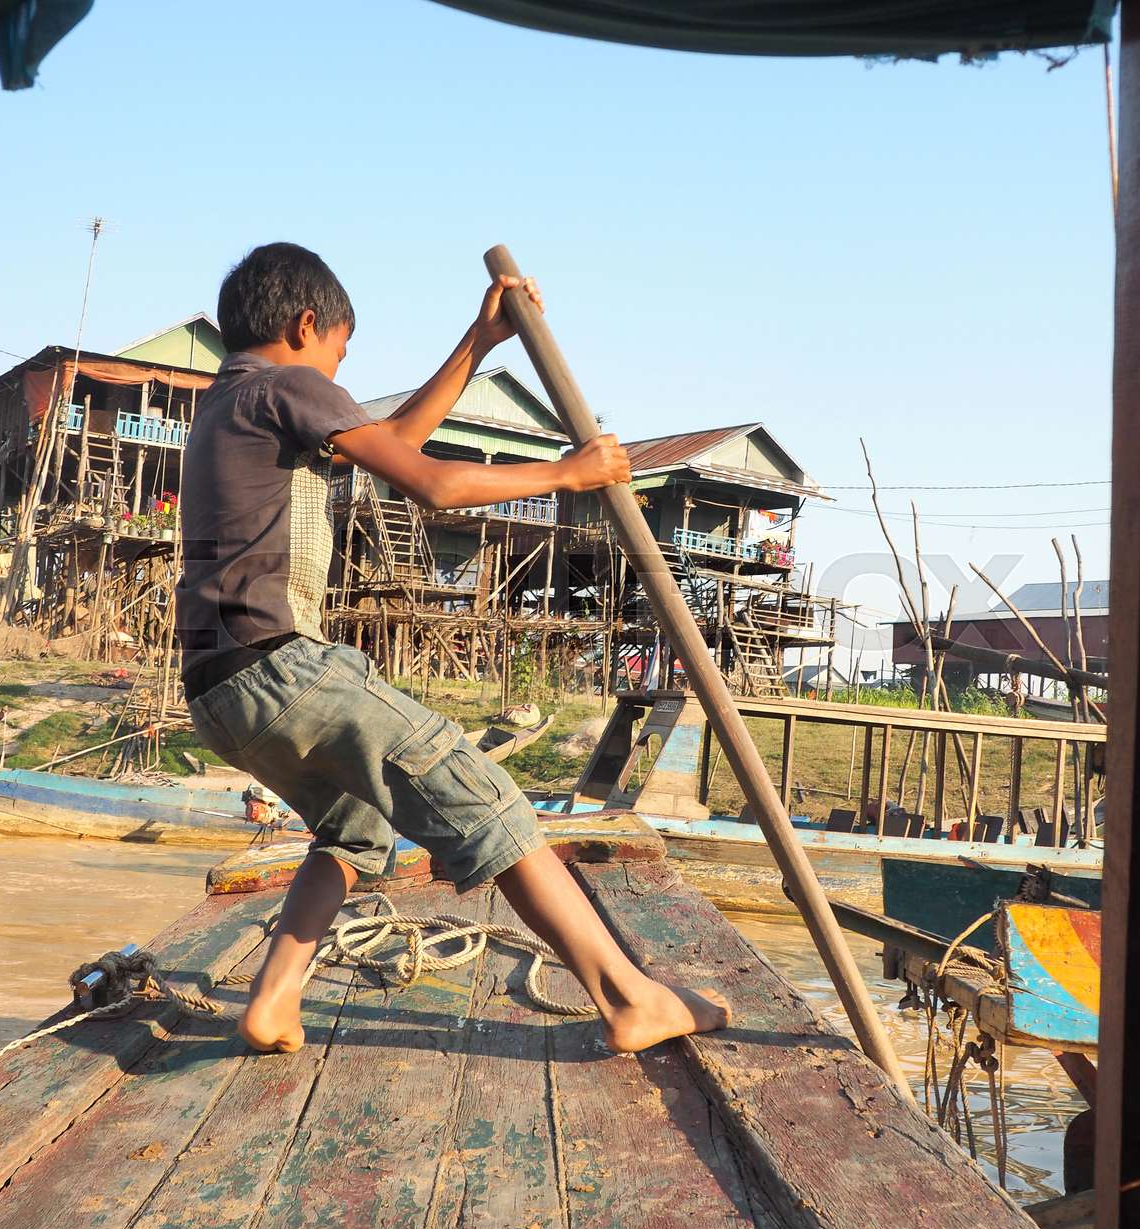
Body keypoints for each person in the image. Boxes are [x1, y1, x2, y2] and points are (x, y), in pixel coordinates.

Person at [176, 242, 730, 1056]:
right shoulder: (287, 386)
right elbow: (429, 481)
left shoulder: (231, 405)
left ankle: (272, 1002)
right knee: (491, 800)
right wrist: (564, 474)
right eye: (339, 352)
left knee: (356, 828)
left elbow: (397, 437)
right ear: (304, 326)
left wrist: (480, 342)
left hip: (218, 691)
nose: (338, 375)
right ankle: (628, 997)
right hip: (282, 665)